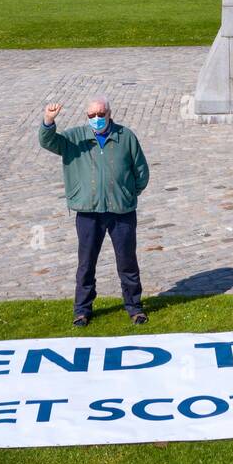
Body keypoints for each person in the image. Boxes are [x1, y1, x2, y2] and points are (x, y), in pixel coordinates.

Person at [39, 97, 150, 327]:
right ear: (86, 117)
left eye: (101, 114)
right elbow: (48, 142)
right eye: (92, 116)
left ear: (110, 113)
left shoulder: (125, 136)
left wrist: (127, 193)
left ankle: (135, 308)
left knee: (127, 261)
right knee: (86, 262)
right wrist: (48, 121)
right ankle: (82, 310)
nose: (97, 119)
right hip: (88, 212)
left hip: (121, 211)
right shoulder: (75, 138)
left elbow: (141, 171)